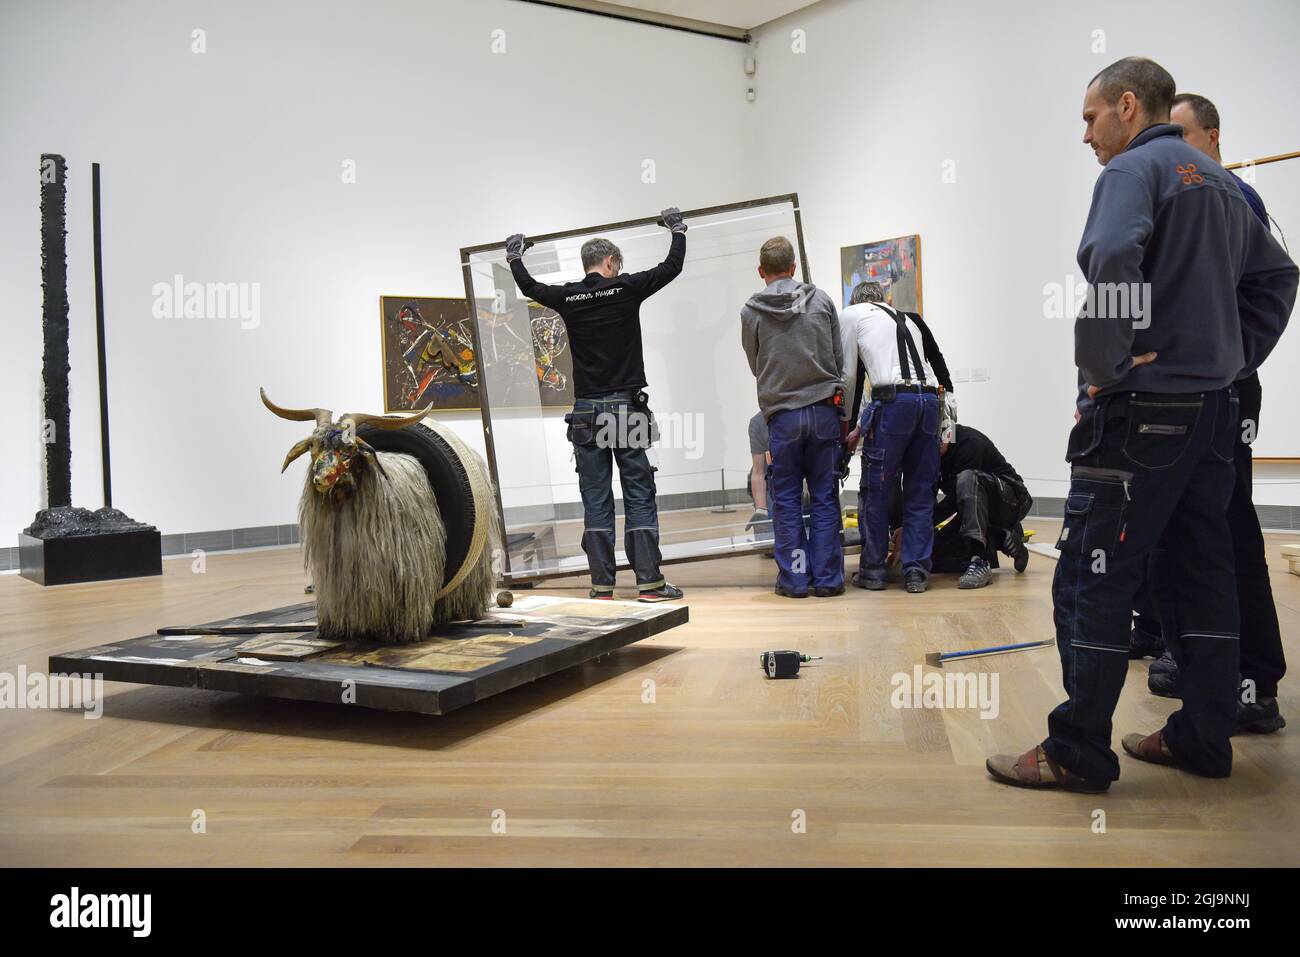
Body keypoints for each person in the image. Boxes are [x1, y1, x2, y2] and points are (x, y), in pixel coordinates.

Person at [986, 57, 1296, 793]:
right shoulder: (1220, 181)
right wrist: (1232, 353)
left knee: (1095, 575)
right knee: (1201, 571)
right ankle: (1203, 737)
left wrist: (1105, 364)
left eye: (1090, 116)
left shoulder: (1133, 171)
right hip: (1215, 415)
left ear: (1128, 106)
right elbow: (1279, 277)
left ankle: (1078, 750)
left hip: (1141, 415)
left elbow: (1109, 254)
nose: (1085, 134)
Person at [1135, 92, 1287, 733]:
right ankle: (1203, 666)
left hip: (1218, 391)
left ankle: (1250, 681)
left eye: (1182, 136)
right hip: (1201, 389)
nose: (1172, 152)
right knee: (1195, 531)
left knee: (1224, 531)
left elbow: (1274, 280)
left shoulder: (1224, 195)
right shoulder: (1198, 195)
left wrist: (1233, 361)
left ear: (1213, 139)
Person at [505, 209, 688, 603]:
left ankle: (602, 588)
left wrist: (514, 255)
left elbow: (530, 286)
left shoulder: (569, 296)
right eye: (617, 262)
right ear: (610, 262)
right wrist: (676, 228)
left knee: (596, 499)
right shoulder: (626, 288)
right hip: (625, 409)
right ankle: (650, 585)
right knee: (638, 493)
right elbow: (672, 266)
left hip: (586, 412)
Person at [740, 236, 847, 598]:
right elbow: (837, 359)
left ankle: (797, 579)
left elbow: (756, 364)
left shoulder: (751, 311)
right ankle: (829, 580)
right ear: (793, 268)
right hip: (822, 411)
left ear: (761, 272)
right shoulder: (822, 300)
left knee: (785, 500)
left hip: (782, 417)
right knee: (823, 497)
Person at [841, 281, 942, 593]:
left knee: (876, 491)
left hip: (894, 406)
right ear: (882, 300)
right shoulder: (907, 319)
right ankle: (916, 572)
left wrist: (845, 424)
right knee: (920, 491)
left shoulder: (851, 314)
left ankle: (873, 571)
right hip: (929, 403)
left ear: (856, 301)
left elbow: (848, 377)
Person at [929, 423, 1032, 588]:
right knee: (932, 557)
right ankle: (1002, 535)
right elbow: (928, 498)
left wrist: (921, 525)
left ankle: (980, 559)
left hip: (1012, 501)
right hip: (975, 509)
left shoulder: (970, 443)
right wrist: (913, 528)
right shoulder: (932, 454)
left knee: (967, 478)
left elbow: (956, 498)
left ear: (945, 439)